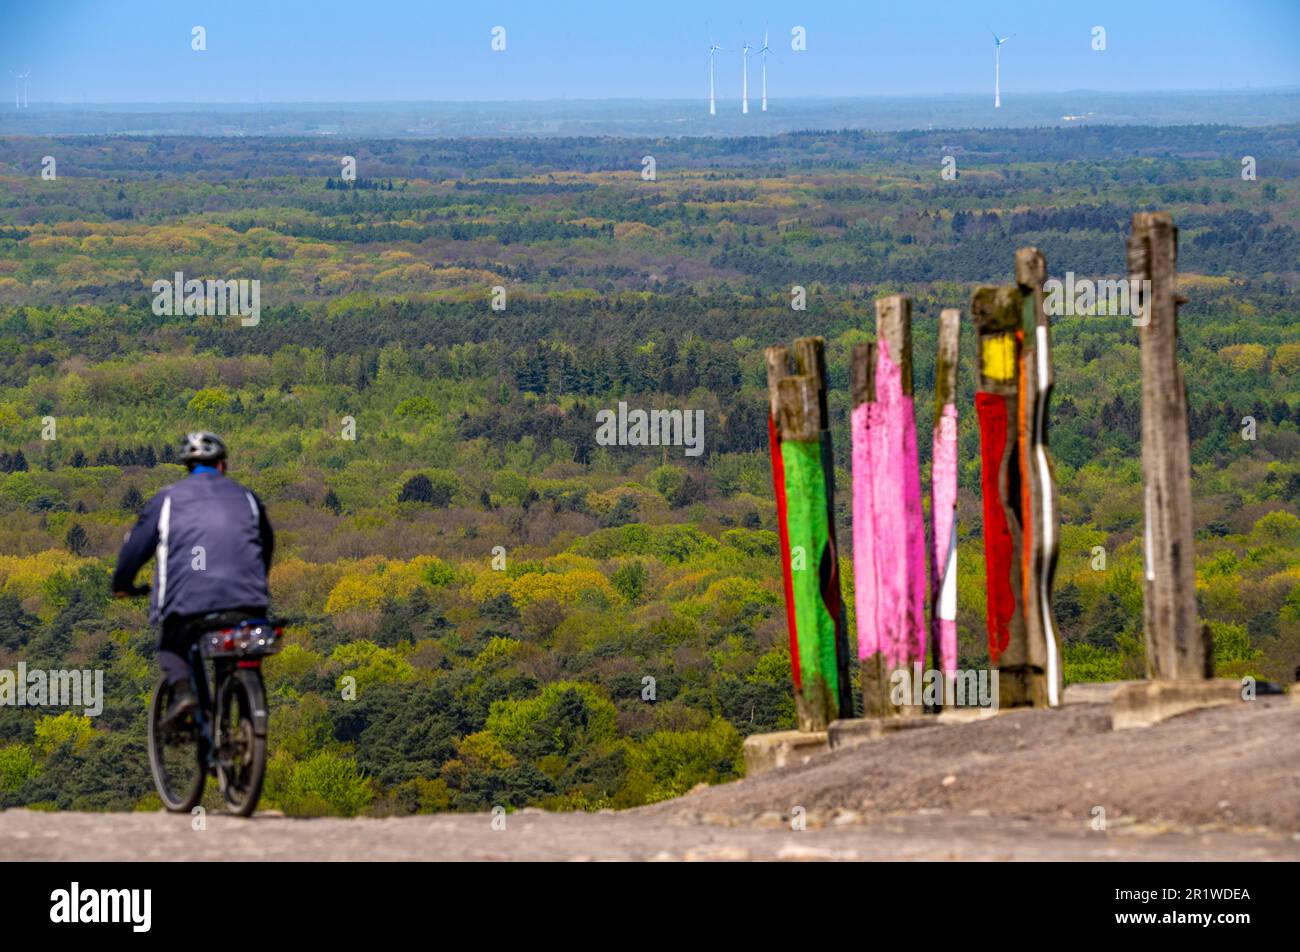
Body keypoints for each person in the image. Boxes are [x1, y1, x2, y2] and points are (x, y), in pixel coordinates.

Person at [112, 432, 274, 725]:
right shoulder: (247, 498)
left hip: (189, 602)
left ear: (187, 466)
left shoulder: (168, 500)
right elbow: (267, 544)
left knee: (171, 645)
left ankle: (185, 692)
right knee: (245, 649)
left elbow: (135, 549)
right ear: (222, 465)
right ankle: (248, 721)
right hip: (248, 599)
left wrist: (122, 584)